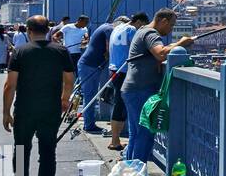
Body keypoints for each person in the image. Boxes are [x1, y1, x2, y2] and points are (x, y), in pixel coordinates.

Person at [2, 15, 73, 176]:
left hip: (25, 108)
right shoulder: (61, 50)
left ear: (28, 30)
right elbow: (69, 78)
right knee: (48, 152)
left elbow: (10, 85)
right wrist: (65, 98)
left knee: (21, 149)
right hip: (51, 108)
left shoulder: (20, 51)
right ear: (48, 30)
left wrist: (6, 112)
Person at [121, 9, 192, 164]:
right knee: (144, 133)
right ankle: (137, 173)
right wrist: (181, 43)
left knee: (136, 133)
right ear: (163, 21)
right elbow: (160, 53)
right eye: (171, 26)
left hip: (133, 89)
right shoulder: (150, 34)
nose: (171, 29)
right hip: (140, 90)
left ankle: (131, 172)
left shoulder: (142, 31)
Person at [105, 15, 140, 150]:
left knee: (119, 104)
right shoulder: (131, 29)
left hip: (114, 69)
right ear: (138, 22)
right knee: (121, 105)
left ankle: (116, 139)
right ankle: (115, 141)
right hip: (124, 71)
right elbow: (137, 47)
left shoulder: (116, 28)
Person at [76, 18, 114, 135]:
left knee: (90, 95)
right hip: (90, 66)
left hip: (90, 65)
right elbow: (109, 48)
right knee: (90, 95)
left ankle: (89, 123)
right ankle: (89, 125)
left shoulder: (105, 26)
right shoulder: (109, 29)